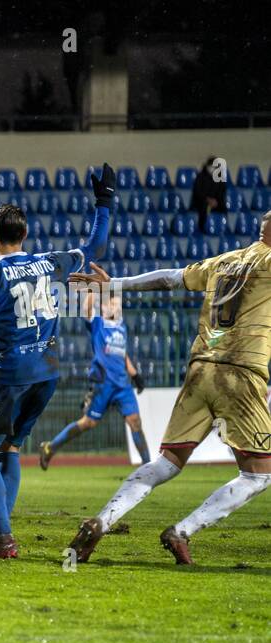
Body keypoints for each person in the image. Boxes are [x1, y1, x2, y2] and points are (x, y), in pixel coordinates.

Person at [68, 215, 271, 565]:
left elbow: (169, 279)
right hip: (240, 374)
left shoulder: (222, 262)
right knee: (259, 474)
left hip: (200, 370)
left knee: (167, 462)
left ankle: (101, 521)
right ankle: (182, 531)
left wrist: (115, 283)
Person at [0, 164, 114, 557]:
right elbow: (96, 248)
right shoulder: (51, 262)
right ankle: (1, 534)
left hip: (9, 375)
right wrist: (104, 202)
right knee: (10, 448)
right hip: (47, 373)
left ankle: (3, 538)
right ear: (27, 234)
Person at [39, 282, 149, 468]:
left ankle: (148, 467)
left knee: (135, 422)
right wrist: (95, 290)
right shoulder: (98, 323)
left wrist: (135, 374)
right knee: (88, 423)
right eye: (112, 304)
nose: (116, 307)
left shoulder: (122, 327)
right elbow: (86, 308)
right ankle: (50, 447)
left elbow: (122, 353)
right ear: (104, 306)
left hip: (122, 384)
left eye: (118, 304)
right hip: (103, 383)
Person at [189, 156, 228, 234]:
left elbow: (221, 192)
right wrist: (208, 199)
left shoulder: (219, 178)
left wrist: (216, 201)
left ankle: (222, 228)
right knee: (203, 208)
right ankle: (202, 228)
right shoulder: (200, 177)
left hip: (215, 203)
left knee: (223, 208)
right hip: (202, 202)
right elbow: (198, 192)